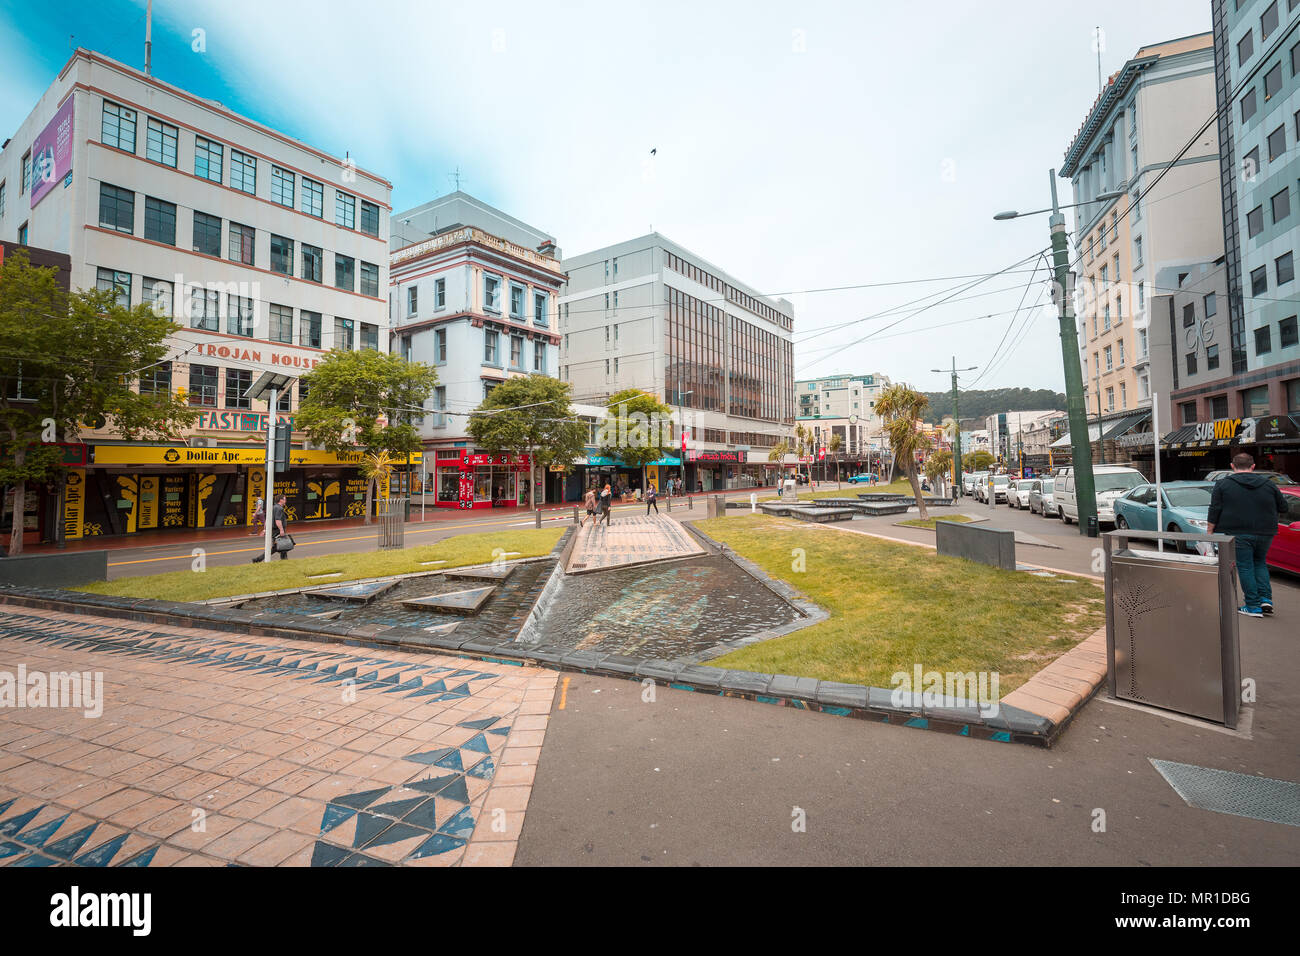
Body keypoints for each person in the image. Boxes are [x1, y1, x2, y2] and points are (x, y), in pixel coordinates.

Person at [1207, 451, 1288, 617]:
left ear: (1232, 466)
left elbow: (1215, 509)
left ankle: (1252, 606)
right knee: (1260, 562)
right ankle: (1266, 599)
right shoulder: (1269, 484)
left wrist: (1210, 530)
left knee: (1245, 566)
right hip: (1266, 531)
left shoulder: (1222, 484)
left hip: (1238, 532)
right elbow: (1284, 507)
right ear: (1253, 466)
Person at [252, 495, 292, 562]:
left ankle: (285, 561)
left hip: (274, 530)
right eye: (284, 499)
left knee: (282, 546)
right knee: (278, 547)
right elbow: (278, 520)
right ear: (281, 500)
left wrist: (265, 529)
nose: (285, 501)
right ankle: (258, 559)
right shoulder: (279, 508)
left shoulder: (273, 507)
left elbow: (267, 519)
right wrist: (281, 530)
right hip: (277, 530)